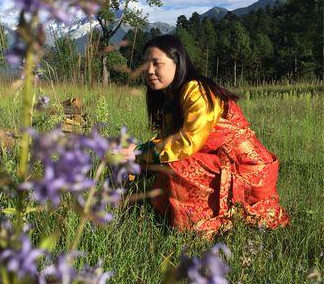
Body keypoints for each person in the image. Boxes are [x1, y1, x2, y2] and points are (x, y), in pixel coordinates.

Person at [124, 34, 289, 238]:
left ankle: (201, 225)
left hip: (244, 165)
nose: (149, 71)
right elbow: (167, 140)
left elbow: (187, 141)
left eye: (156, 63)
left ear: (177, 62)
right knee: (154, 159)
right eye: (146, 64)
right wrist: (137, 153)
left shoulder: (196, 90)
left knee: (176, 165)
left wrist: (141, 153)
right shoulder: (170, 95)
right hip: (219, 159)